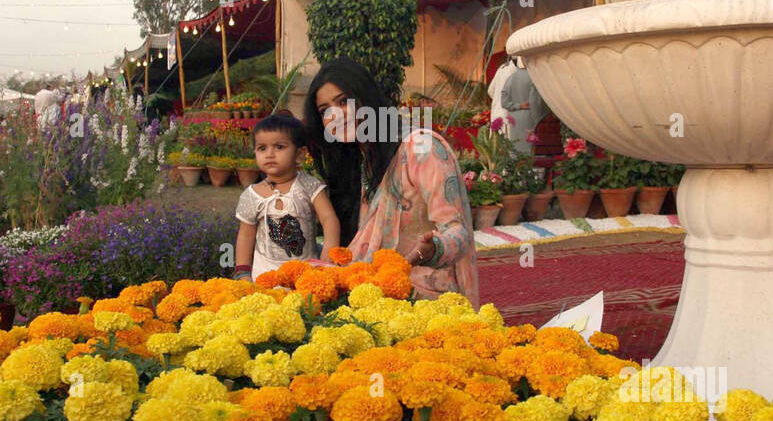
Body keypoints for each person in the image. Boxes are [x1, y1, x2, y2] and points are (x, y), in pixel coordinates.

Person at [305, 58, 479, 305]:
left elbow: (458, 230)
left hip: (428, 297)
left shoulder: (421, 148)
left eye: (344, 102)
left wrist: (432, 249)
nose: (335, 115)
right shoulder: (362, 160)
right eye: (324, 111)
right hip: (376, 292)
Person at [234, 114, 340, 281]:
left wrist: (329, 252)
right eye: (262, 148)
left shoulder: (309, 186)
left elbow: (329, 219)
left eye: (279, 147)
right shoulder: (252, 195)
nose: (269, 154)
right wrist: (243, 272)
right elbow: (245, 235)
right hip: (265, 274)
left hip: (307, 272)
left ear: (299, 154)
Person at [498, 56, 549, 149]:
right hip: (529, 117)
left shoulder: (510, 78)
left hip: (513, 118)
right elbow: (535, 101)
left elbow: (503, 102)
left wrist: (517, 106)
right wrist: (540, 117)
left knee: (515, 146)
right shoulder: (533, 77)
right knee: (527, 146)